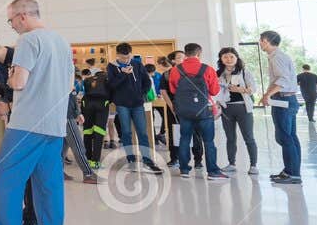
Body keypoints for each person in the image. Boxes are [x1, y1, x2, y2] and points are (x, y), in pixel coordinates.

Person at [0, 0, 72, 225]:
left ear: (22, 16)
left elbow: (18, 82)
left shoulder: (28, 40)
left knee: (5, 177)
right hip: (55, 125)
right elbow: (70, 85)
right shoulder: (61, 42)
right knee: (48, 185)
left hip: (28, 123)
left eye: (11, 21)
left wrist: (15, 76)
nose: (12, 26)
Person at [167, 43, 227, 180]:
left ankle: (184, 170)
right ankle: (212, 171)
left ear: (185, 53)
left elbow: (173, 90)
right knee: (208, 141)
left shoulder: (176, 70)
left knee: (184, 139)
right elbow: (214, 91)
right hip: (203, 111)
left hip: (184, 111)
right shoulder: (208, 69)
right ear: (199, 54)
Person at [106, 43, 162, 174]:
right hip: (122, 104)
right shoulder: (112, 66)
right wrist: (123, 74)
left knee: (142, 132)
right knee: (126, 133)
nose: (126, 60)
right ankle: (131, 159)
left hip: (137, 103)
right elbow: (111, 85)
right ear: (117, 55)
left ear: (131, 54)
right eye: (123, 58)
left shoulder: (137, 64)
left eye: (128, 57)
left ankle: (148, 161)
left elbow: (147, 82)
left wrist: (141, 94)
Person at [259, 30, 302, 184]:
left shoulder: (277, 57)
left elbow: (283, 79)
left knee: (284, 137)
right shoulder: (278, 56)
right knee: (290, 137)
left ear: (266, 41)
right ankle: (292, 171)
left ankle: (293, 174)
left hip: (283, 100)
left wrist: (267, 95)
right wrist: (268, 93)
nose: (260, 43)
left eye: (261, 40)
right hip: (289, 99)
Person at [216, 47, 259, 176]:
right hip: (226, 108)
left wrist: (240, 90)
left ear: (236, 58)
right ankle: (231, 164)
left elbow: (253, 89)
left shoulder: (244, 72)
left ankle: (253, 165)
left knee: (249, 137)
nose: (228, 59)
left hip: (243, 108)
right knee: (230, 138)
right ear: (221, 59)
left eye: (231, 57)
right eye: (225, 57)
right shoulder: (218, 74)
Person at [80, 66, 111, 170]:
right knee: (99, 132)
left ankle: (88, 159)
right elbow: (111, 92)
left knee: (87, 131)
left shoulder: (87, 80)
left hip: (87, 105)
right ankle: (95, 161)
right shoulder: (107, 79)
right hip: (102, 104)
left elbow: (85, 92)